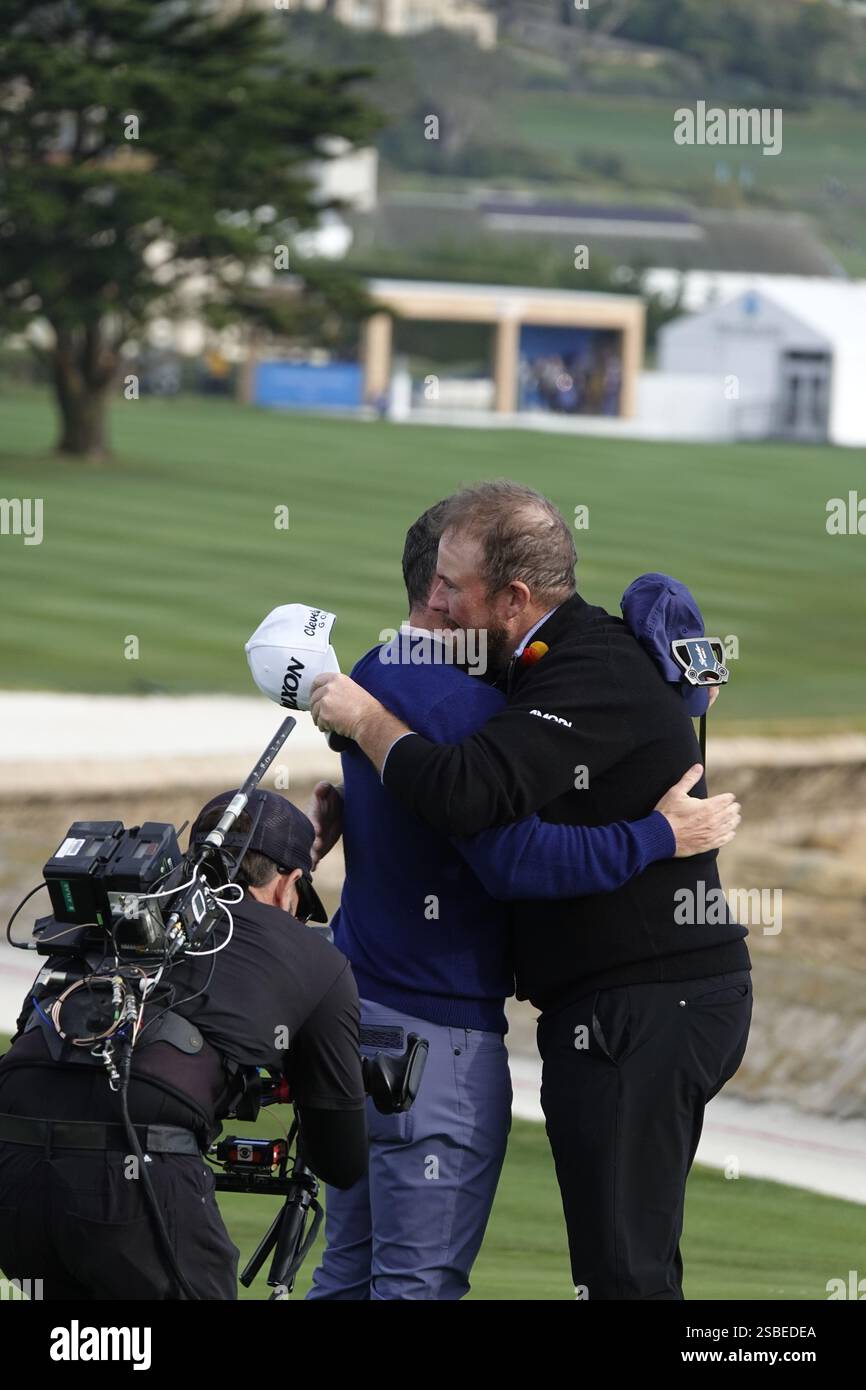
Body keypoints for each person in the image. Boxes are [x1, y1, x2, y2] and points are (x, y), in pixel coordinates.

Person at [309, 480, 753, 1301]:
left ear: (513, 599)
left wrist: (359, 713)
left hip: (648, 1000)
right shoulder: (518, 670)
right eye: (434, 583)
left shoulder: (583, 670)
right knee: (606, 1269)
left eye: (452, 586)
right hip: (616, 1005)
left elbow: (470, 799)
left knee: (623, 1272)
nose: (435, 604)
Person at [0, 791, 367, 1300]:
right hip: (134, 1173)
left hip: (13, 1162)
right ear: (289, 883)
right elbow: (342, 1161)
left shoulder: (121, 909)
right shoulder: (316, 960)